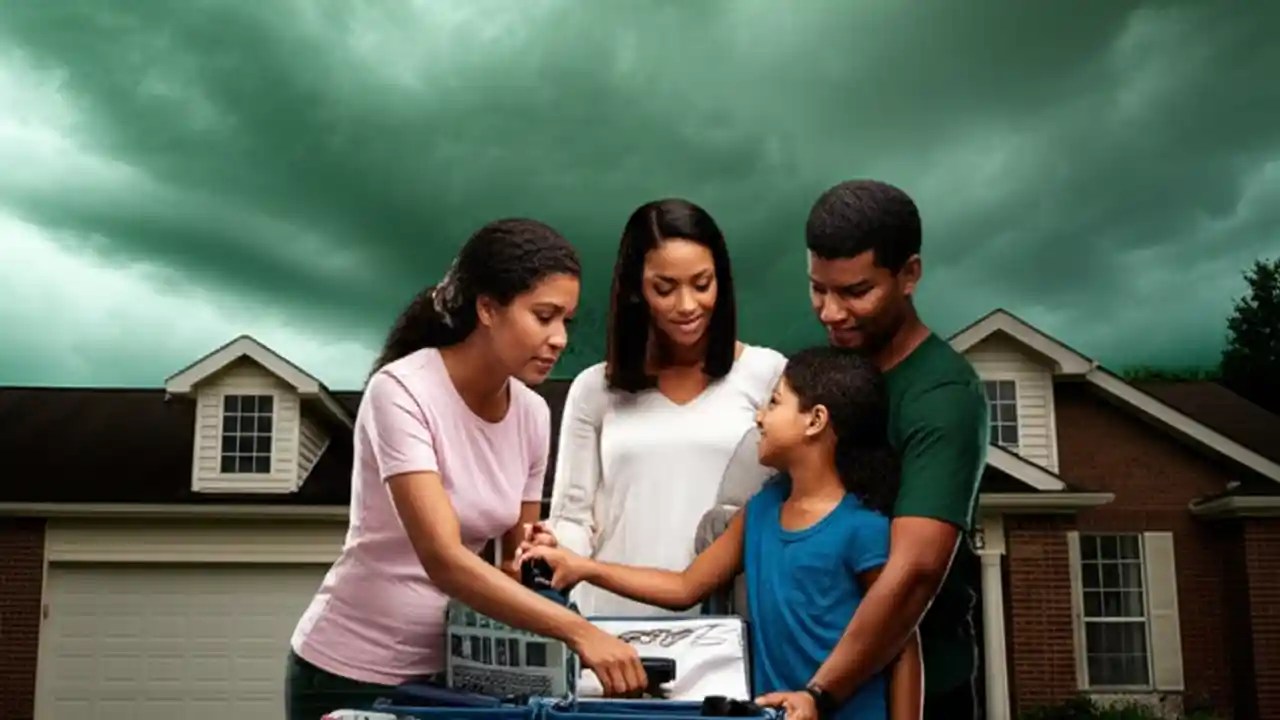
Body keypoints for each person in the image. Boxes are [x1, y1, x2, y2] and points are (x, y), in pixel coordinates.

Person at [285, 219, 648, 720]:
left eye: (567, 321)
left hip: (456, 678)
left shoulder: (533, 414)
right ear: (486, 309)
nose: (560, 338)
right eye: (544, 316)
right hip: (350, 674)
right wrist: (579, 631)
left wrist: (535, 557)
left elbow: (506, 565)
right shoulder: (402, 392)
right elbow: (444, 558)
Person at [522, 347, 924, 720]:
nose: (759, 417)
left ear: (815, 420)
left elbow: (902, 644)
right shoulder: (761, 511)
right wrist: (582, 568)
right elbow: (684, 587)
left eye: (775, 402)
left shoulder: (864, 529)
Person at [782, 179, 989, 720]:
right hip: (810, 685)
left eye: (855, 292)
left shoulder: (942, 395)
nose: (830, 312)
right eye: (818, 289)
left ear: (910, 275)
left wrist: (823, 692)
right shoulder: (824, 377)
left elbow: (915, 570)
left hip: (917, 696)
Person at [538, 198, 786, 617]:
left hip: (726, 626)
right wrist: (556, 552)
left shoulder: (767, 374)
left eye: (701, 284)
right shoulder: (595, 389)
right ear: (636, 289)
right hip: (609, 625)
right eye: (665, 288)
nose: (687, 305)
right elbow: (573, 518)